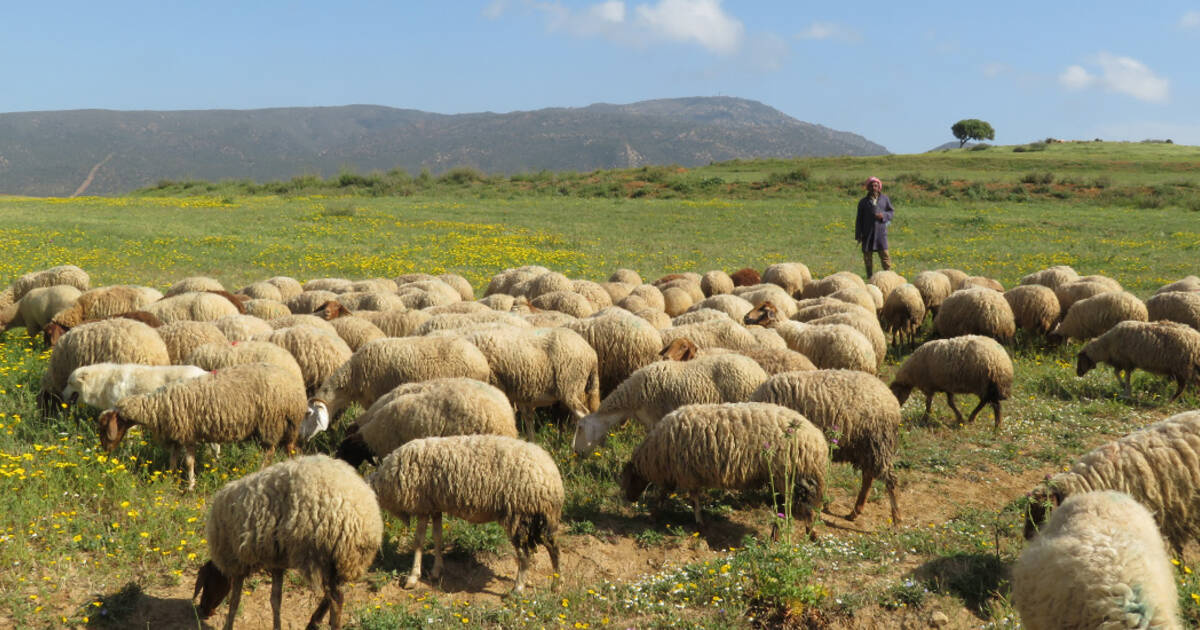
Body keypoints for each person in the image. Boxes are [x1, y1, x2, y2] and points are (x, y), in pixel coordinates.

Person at [854, 176, 894, 277]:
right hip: (867, 233)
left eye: (876, 185)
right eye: (871, 185)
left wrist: (883, 216)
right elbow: (859, 219)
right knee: (867, 257)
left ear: (879, 187)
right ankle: (869, 276)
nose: (873, 187)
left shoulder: (885, 199)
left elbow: (891, 212)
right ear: (868, 187)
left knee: (885, 256)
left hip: (881, 233)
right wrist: (858, 234)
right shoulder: (863, 202)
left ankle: (888, 276)